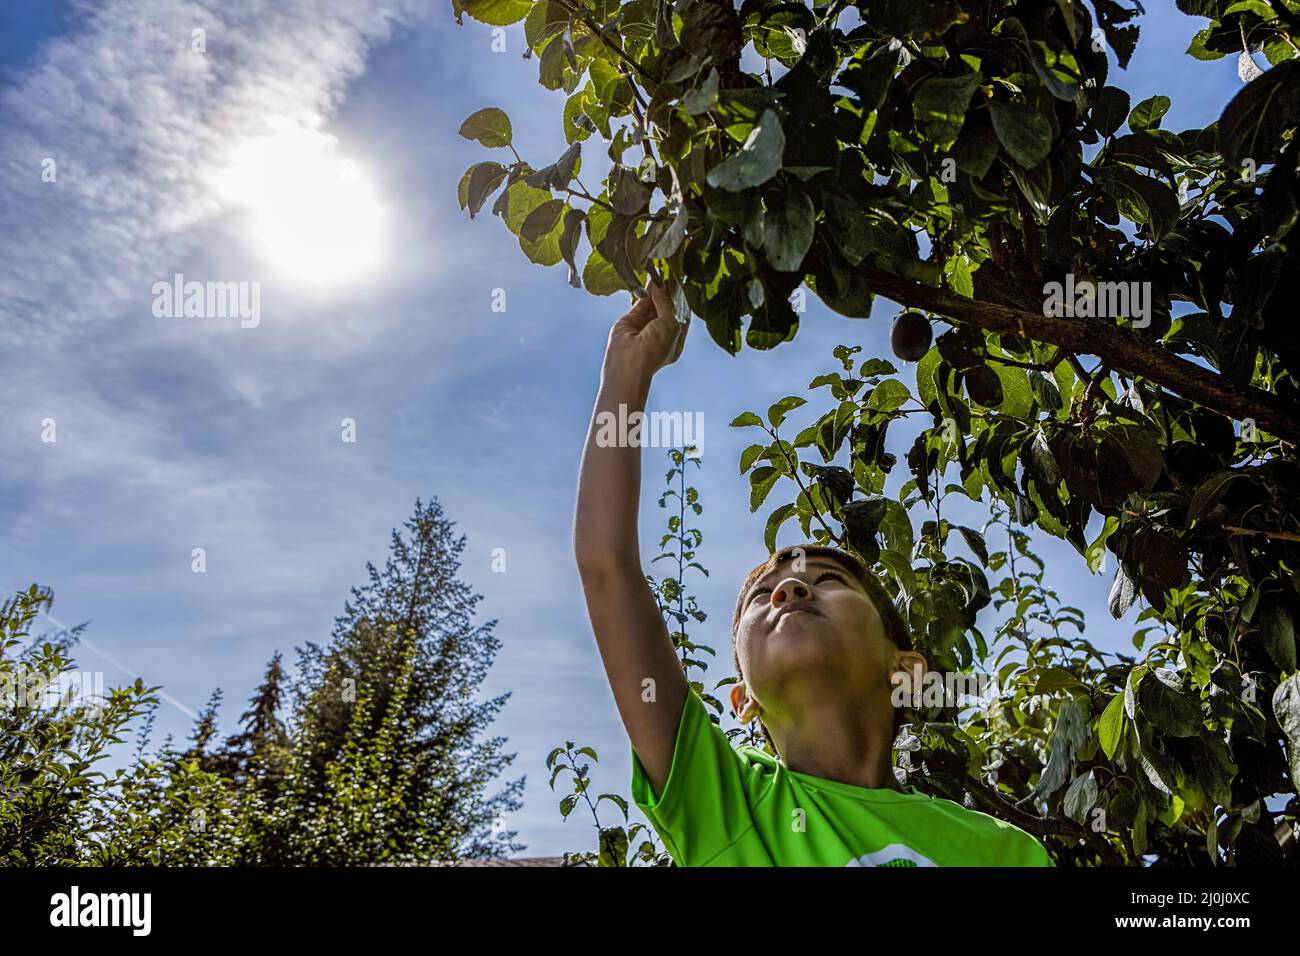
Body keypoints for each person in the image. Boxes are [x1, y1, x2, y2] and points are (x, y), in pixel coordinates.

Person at [572, 277, 1053, 866]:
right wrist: (627, 373)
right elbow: (607, 564)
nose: (792, 589)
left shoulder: (1003, 851)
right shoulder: (725, 798)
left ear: (904, 667)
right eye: (762, 596)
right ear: (743, 699)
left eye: (828, 581)